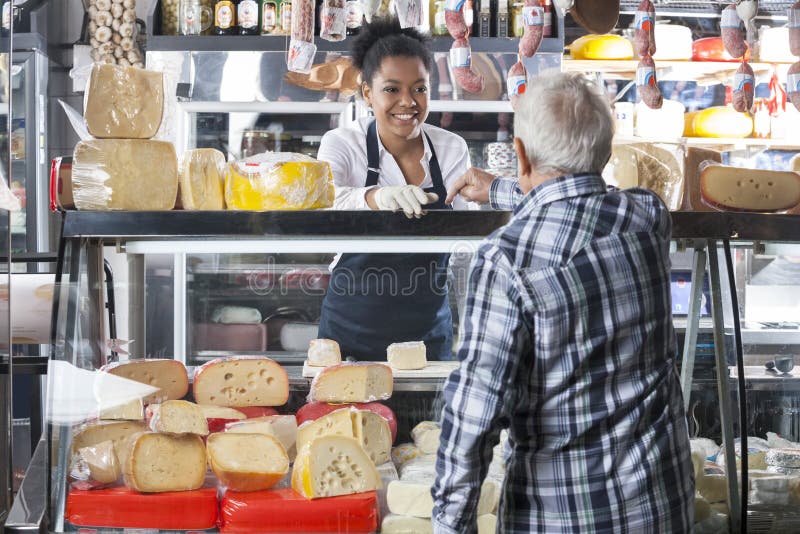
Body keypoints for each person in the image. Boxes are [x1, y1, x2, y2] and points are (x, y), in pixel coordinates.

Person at [433, 71, 694, 533]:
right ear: (605, 152)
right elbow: (574, 201)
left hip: (561, 516)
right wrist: (499, 189)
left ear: (520, 154)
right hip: (661, 508)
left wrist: (451, 524)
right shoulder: (645, 216)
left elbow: (475, 415)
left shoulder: (507, 258)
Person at [316, 17, 473, 361]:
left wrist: (472, 326)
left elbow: (464, 247)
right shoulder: (342, 143)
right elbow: (324, 206)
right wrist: (375, 197)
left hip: (428, 338)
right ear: (367, 94)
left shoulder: (451, 148)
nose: (408, 102)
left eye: (419, 89)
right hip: (350, 334)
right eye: (391, 89)